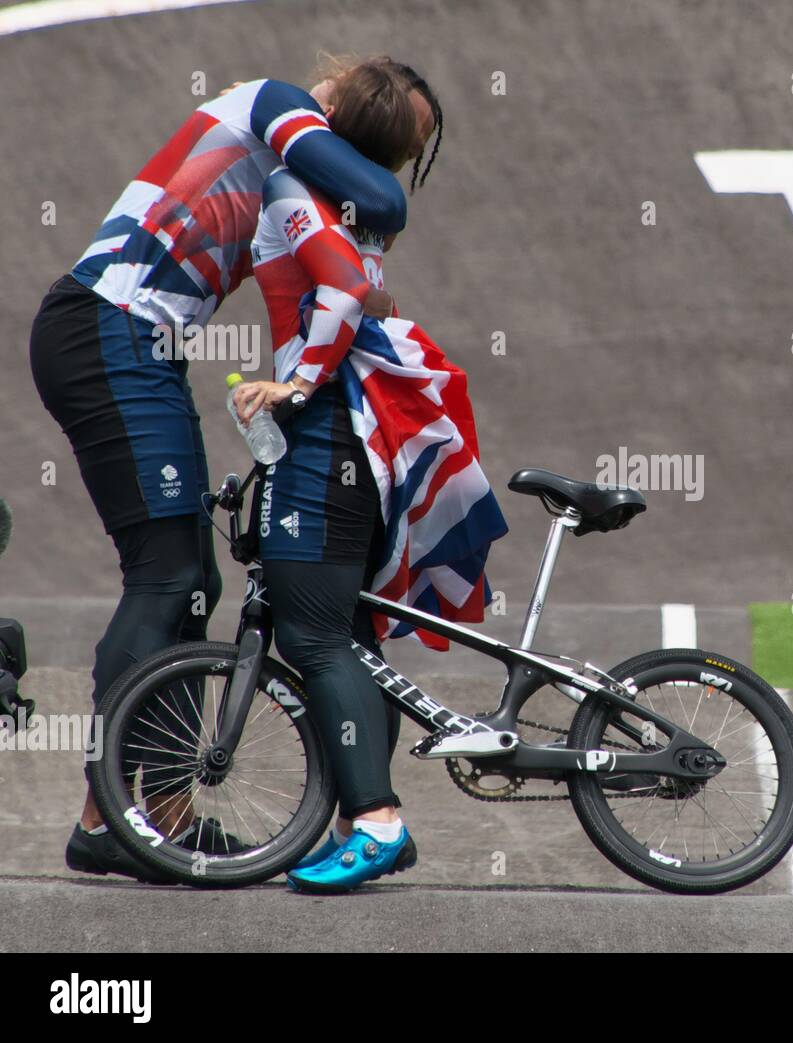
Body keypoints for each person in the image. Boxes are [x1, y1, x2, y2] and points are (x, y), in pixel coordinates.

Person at [29, 56, 434, 882]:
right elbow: (386, 203)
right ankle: (105, 813)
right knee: (167, 577)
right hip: (108, 325)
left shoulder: (294, 184)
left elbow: (346, 273)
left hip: (136, 340)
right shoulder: (277, 103)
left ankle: (156, 814)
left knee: (191, 582)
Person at [233, 64, 507, 893]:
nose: (315, 80)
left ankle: (379, 820)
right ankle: (362, 819)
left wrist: (294, 385)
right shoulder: (356, 203)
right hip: (367, 448)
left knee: (315, 637)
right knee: (352, 642)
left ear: (336, 116)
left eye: (333, 80)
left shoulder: (291, 181)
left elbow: (346, 289)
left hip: (326, 442)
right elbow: (363, 289)